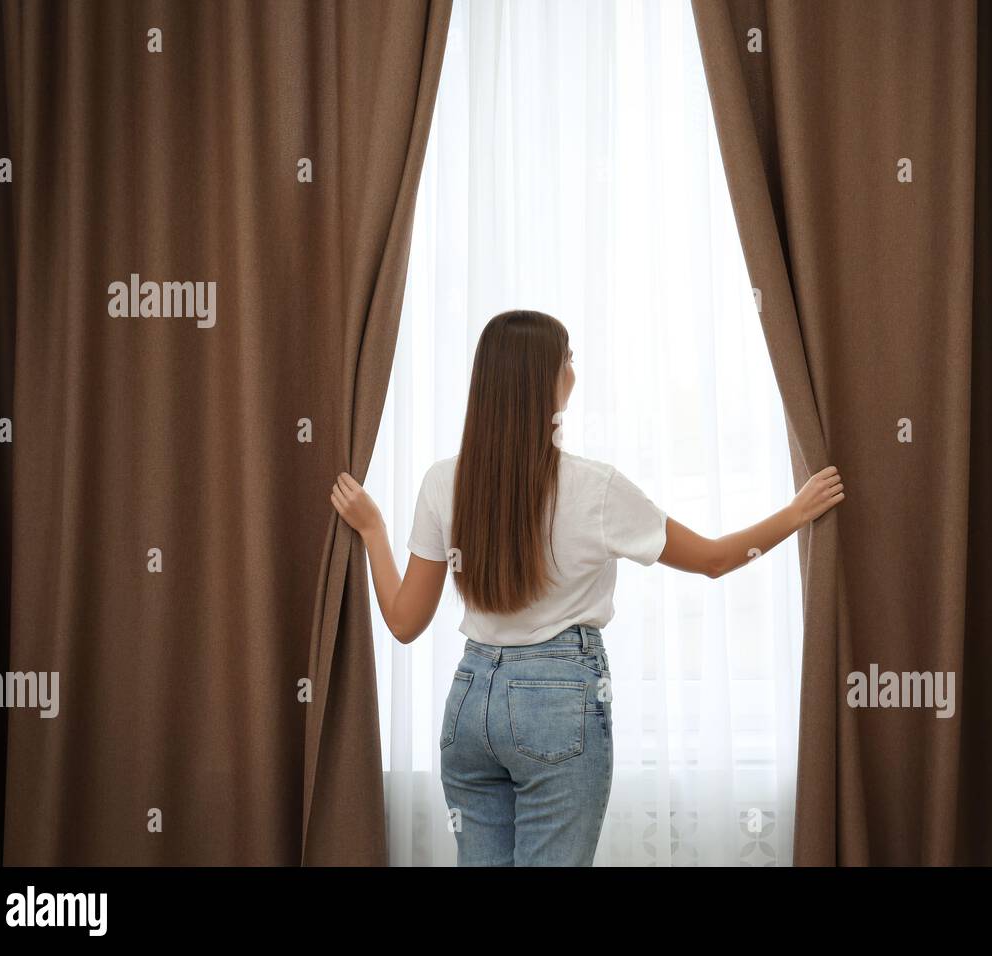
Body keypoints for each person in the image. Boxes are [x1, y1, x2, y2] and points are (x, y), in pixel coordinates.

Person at [330, 309, 844, 866]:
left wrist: (373, 531)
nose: (574, 368)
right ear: (547, 379)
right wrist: (796, 513)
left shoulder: (442, 482)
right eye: (568, 357)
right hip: (558, 703)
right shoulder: (595, 489)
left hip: (469, 705)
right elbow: (715, 560)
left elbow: (404, 623)